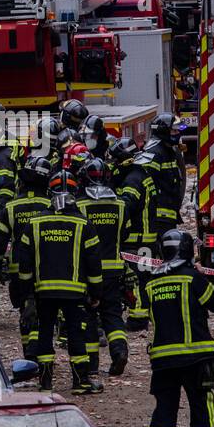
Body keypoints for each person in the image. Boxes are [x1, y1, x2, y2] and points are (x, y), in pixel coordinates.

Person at [144, 229, 214, 427]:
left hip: (162, 360)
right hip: (196, 358)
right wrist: (200, 275)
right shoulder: (193, 278)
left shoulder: (151, 283)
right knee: (202, 405)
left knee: (165, 408)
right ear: (188, 251)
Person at [13, 167, 104, 394]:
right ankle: (80, 382)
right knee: (76, 334)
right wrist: (96, 293)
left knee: (44, 334)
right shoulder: (84, 225)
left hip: (43, 292)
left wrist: (27, 295)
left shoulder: (34, 224)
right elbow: (94, 264)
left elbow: (24, 264)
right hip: (74, 293)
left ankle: (45, 382)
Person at [0, 155, 53, 359]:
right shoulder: (51, 205)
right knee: (45, 312)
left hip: (19, 271)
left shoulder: (11, 207)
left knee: (26, 312)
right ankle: (43, 352)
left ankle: (30, 355)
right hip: (48, 271)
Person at [77, 157, 130, 376]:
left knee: (88, 316)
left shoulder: (80, 206)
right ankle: (119, 351)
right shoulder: (120, 206)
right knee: (113, 314)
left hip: (88, 273)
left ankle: (91, 364)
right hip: (114, 271)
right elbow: (125, 235)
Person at [114, 137, 156, 330]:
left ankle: (138, 318)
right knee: (143, 279)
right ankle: (144, 315)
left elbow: (125, 207)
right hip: (145, 238)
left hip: (137, 239)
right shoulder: (141, 173)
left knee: (137, 281)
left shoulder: (132, 179)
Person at [140, 112, 186, 239]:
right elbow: (146, 185)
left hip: (168, 216)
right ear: (163, 132)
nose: (177, 134)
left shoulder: (169, 150)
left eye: (177, 131)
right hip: (159, 218)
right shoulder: (154, 153)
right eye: (174, 131)